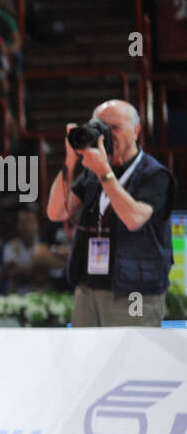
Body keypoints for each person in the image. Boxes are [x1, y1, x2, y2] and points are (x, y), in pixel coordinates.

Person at [45, 100, 176, 326]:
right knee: (87, 359)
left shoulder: (155, 175)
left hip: (135, 293)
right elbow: (56, 212)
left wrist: (104, 172)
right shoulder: (91, 174)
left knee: (133, 357)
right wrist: (70, 160)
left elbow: (133, 219)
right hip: (88, 289)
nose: (106, 135)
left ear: (136, 131)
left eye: (114, 128)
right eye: (100, 128)